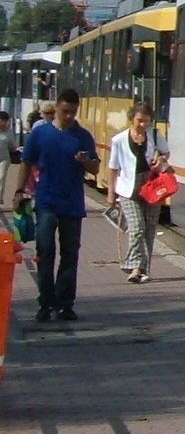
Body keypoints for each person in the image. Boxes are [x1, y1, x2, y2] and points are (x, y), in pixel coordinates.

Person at [19, 88, 100, 321]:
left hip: (72, 203)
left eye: (73, 112)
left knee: (70, 253)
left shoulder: (82, 136)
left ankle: (65, 303)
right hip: (46, 200)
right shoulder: (41, 134)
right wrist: (18, 192)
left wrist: (86, 162)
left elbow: (95, 167)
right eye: (65, 111)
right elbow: (26, 163)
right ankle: (45, 302)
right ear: (56, 107)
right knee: (45, 250)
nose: (69, 116)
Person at [106, 101, 170, 284]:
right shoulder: (119, 140)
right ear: (131, 118)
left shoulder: (156, 135)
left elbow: (165, 153)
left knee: (149, 230)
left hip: (152, 187)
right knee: (137, 227)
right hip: (128, 189)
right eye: (140, 121)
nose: (143, 125)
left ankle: (143, 270)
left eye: (147, 122)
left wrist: (161, 159)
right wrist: (111, 193)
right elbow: (113, 167)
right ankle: (133, 266)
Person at [0, 110, 17, 211]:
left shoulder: (8, 131)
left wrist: (17, 149)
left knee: (1, 177)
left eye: (5, 121)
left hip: (4, 158)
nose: (4, 123)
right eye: (2, 121)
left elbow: (12, 146)